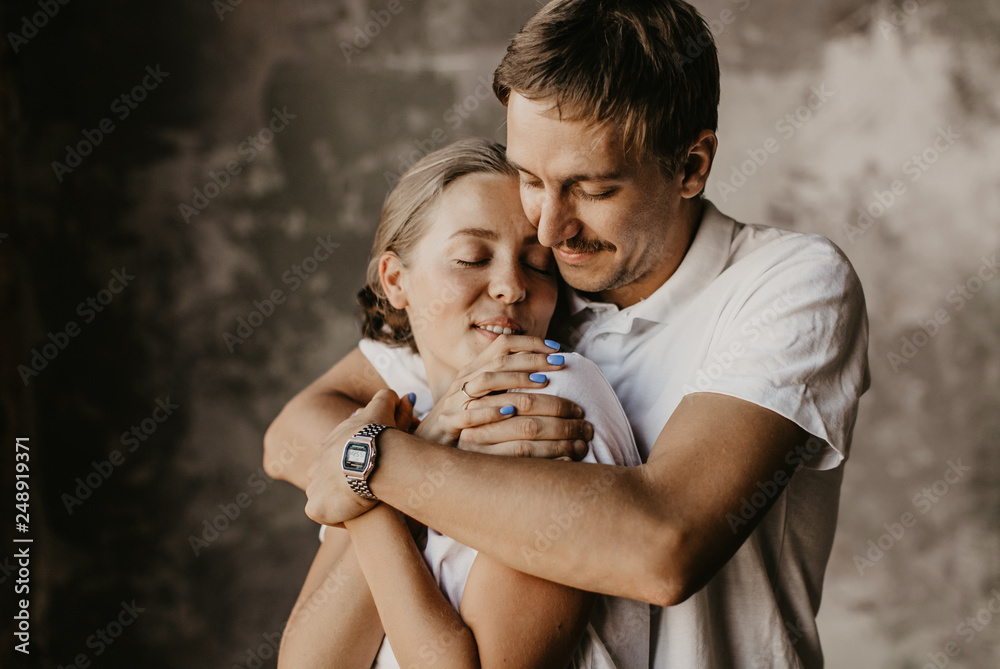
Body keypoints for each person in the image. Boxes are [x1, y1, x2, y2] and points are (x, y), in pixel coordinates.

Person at [266, 1, 870, 667]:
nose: (550, 231)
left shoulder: (787, 284)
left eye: (592, 188)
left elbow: (663, 545)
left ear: (691, 166)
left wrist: (374, 462)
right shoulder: (529, 301)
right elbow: (296, 430)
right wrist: (389, 452)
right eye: (530, 178)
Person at [275, 138, 649, 669]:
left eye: (538, 265)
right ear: (395, 281)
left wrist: (365, 485)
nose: (512, 286)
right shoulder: (398, 425)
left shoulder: (546, 398)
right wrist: (405, 453)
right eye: (472, 257)